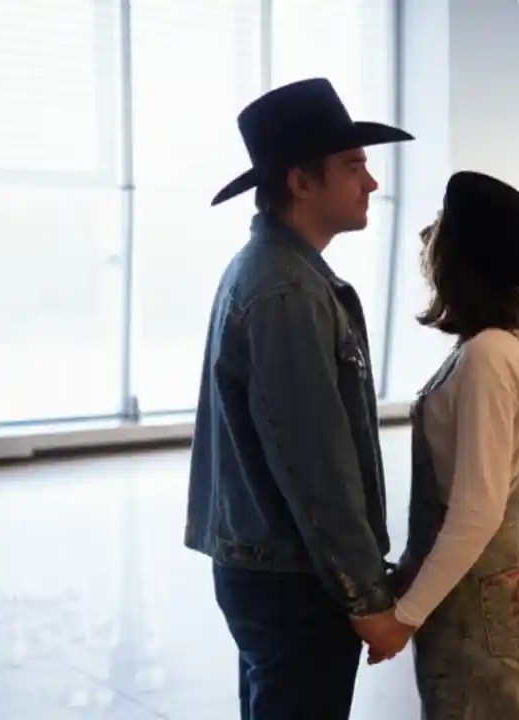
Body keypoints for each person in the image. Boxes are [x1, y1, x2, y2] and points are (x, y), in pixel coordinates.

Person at [182, 77, 414, 719]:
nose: (371, 183)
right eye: (353, 167)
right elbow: (316, 466)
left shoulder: (264, 270)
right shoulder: (288, 291)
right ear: (301, 182)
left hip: (268, 567)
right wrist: (366, 597)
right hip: (294, 579)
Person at [360, 171, 519, 718]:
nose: (428, 238)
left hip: (476, 609)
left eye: (440, 228)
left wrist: (404, 618)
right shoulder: (499, 346)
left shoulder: (488, 357)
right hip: (478, 600)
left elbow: (476, 510)